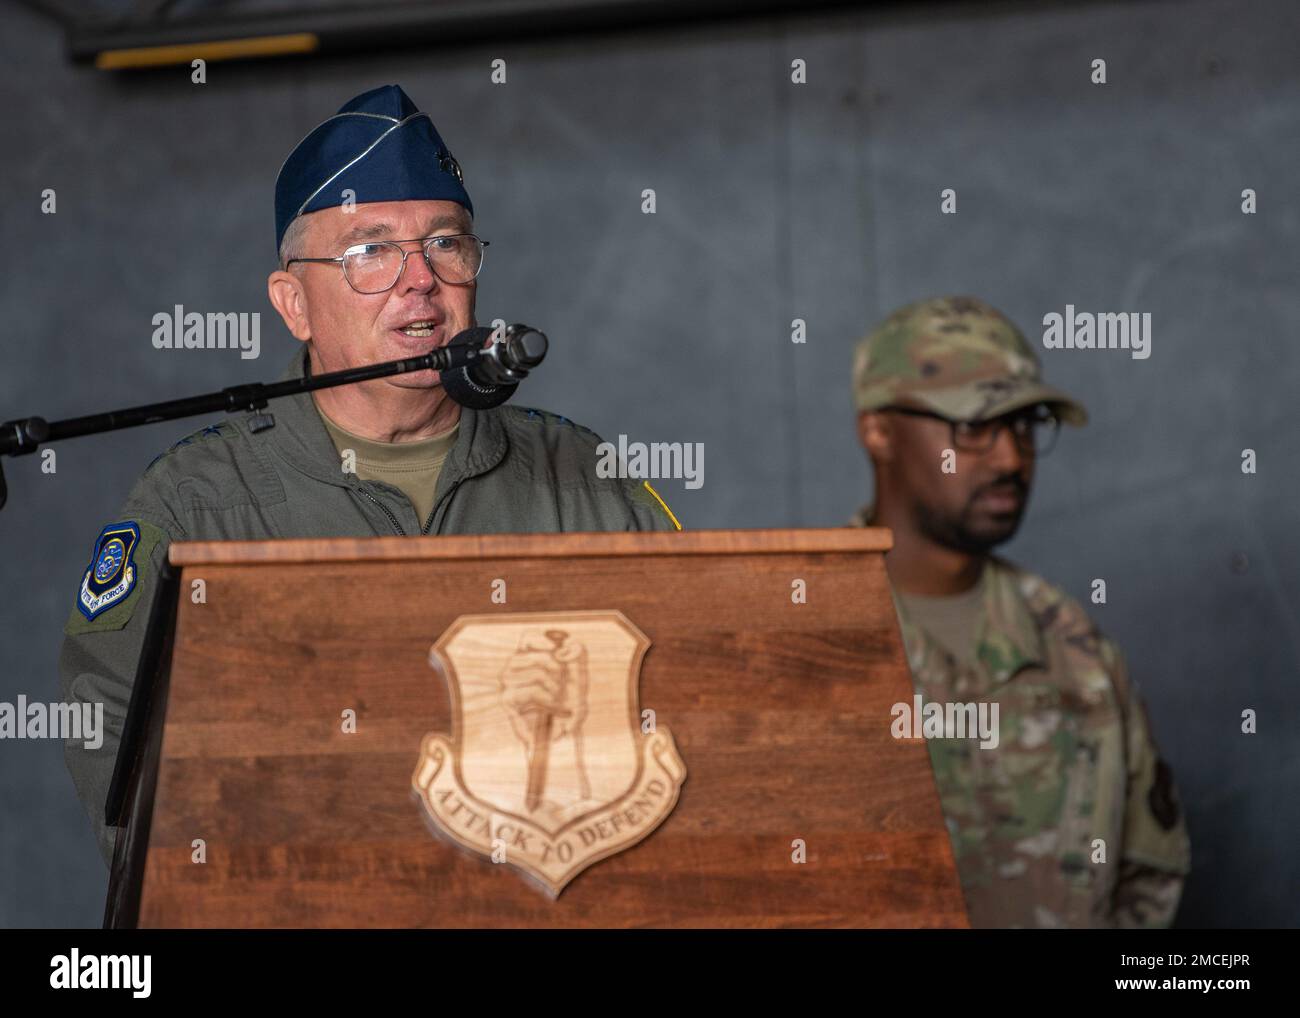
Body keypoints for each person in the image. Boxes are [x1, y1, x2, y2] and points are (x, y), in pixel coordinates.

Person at [59, 84, 679, 866]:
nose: (419, 278)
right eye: (370, 251)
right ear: (294, 305)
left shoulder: (588, 480)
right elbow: (114, 742)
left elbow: (696, 692)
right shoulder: (198, 505)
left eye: (446, 244)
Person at [851, 295, 1189, 927]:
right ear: (878, 431)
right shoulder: (792, 640)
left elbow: (1148, 880)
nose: (1010, 459)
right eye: (973, 427)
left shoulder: (1078, 654)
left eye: (1026, 424)